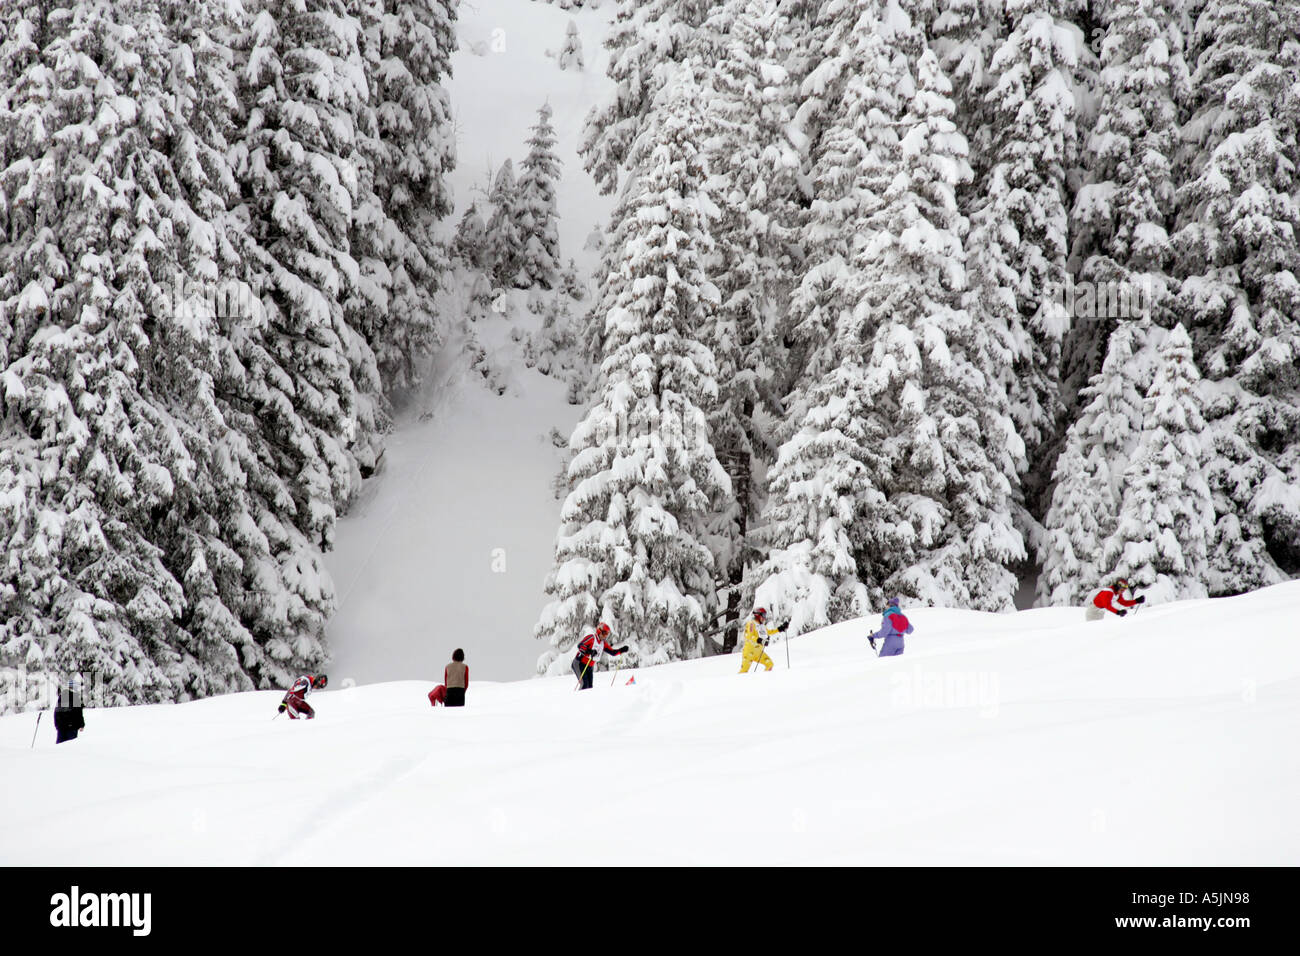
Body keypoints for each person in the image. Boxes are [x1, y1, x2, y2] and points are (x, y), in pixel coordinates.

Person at [572, 623, 628, 690]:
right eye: (604, 633)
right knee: (584, 685)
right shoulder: (591, 638)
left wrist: (621, 650)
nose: (605, 636)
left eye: (607, 634)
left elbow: (612, 652)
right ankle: (578, 699)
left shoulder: (603, 643)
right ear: (599, 631)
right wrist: (590, 651)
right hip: (579, 663)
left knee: (589, 687)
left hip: (589, 666)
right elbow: (580, 645)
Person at [740, 607, 786, 674]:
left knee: (769, 664)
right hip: (749, 652)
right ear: (758, 615)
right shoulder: (751, 624)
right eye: (763, 615)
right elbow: (749, 636)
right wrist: (760, 640)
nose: (764, 617)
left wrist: (780, 629)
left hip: (758, 653)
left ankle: (763, 681)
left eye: (765, 615)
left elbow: (769, 632)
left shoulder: (762, 626)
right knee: (743, 671)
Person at [54, 677, 85, 744]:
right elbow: (78, 713)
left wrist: (57, 725)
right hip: (71, 727)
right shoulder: (75, 697)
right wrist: (81, 724)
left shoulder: (62, 696)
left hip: (62, 727)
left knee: (60, 746)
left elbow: (56, 713)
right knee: (70, 747)